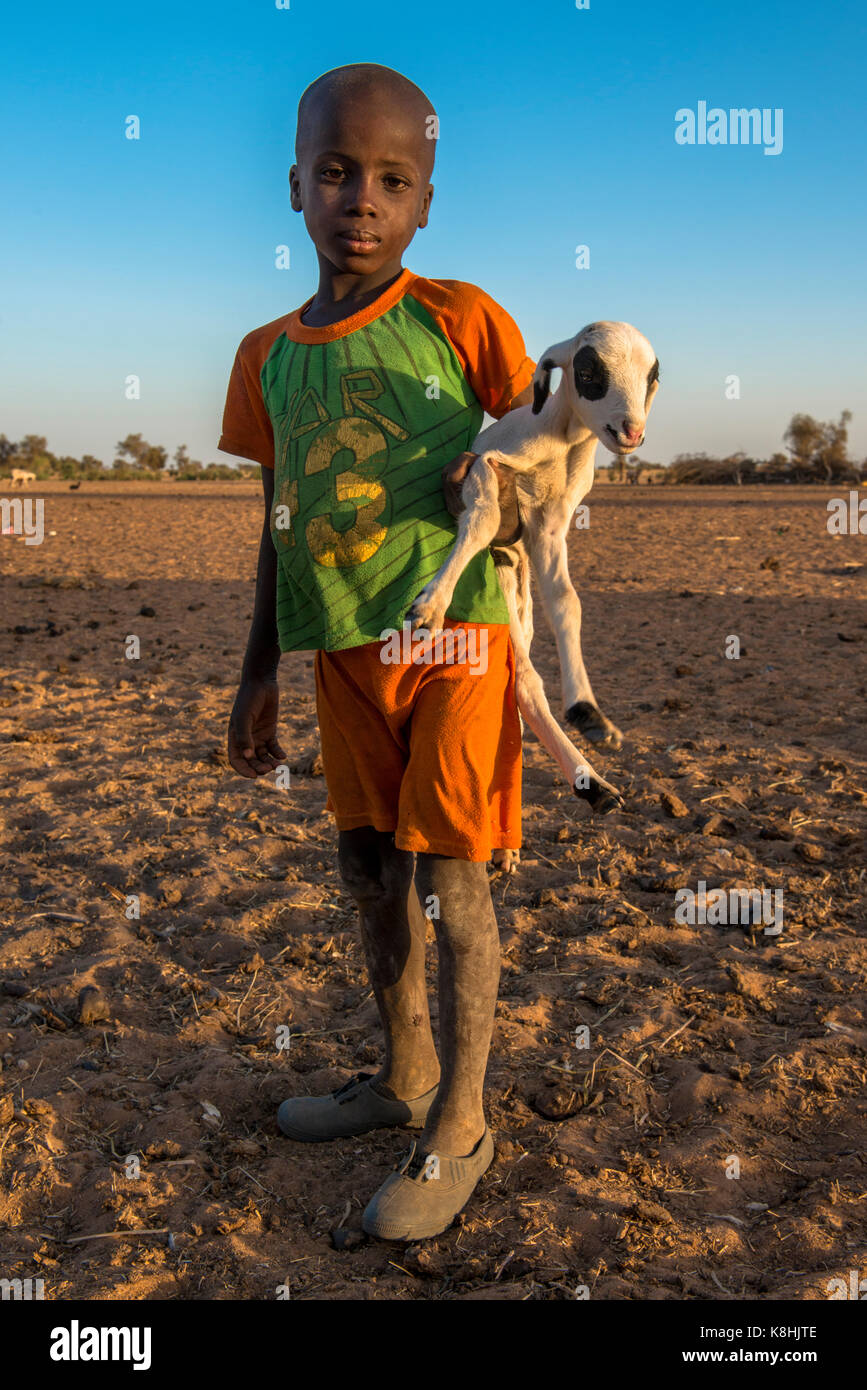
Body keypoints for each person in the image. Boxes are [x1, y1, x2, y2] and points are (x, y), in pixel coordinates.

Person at [220, 62, 535, 1241]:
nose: (362, 197)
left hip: (457, 640)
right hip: (337, 650)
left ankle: (460, 1121)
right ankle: (402, 1073)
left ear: (425, 202)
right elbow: (277, 516)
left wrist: (498, 496)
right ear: (293, 184)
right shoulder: (266, 356)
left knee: (456, 879)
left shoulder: (460, 318)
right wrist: (256, 672)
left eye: (392, 179)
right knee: (366, 867)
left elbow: (547, 458)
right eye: (339, 171)